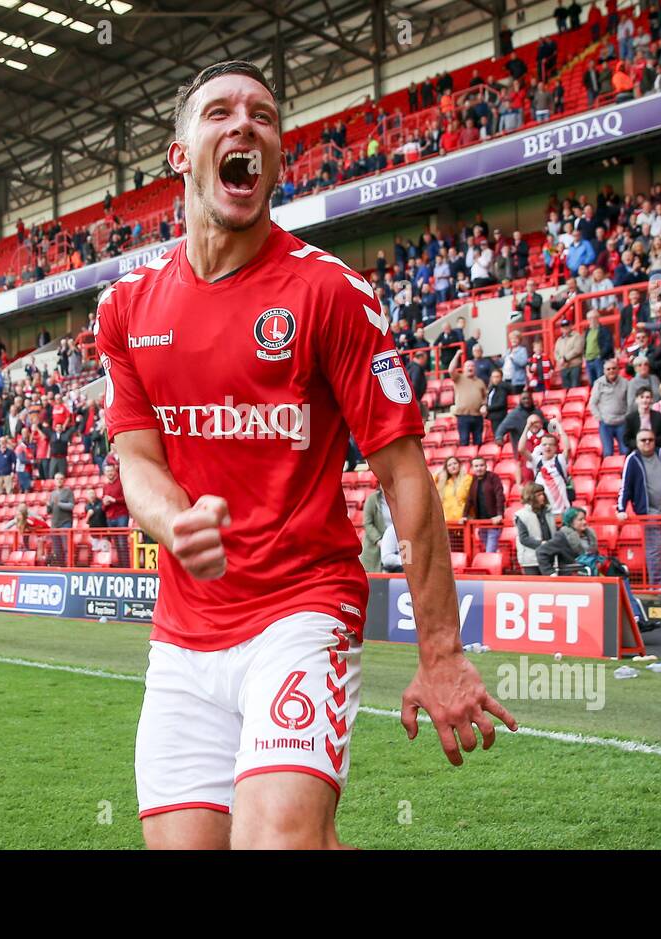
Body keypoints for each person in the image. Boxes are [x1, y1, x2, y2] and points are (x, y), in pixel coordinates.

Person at [95, 60, 515, 849]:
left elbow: (404, 475)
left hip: (302, 606)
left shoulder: (329, 293)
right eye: (219, 112)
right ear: (180, 155)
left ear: (277, 159)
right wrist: (173, 522)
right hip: (184, 633)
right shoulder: (126, 306)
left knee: (278, 842)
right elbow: (136, 459)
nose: (244, 124)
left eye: (263, 115)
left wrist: (442, 651)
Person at [616, 428, 661, 586]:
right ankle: (657, 585)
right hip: (649, 513)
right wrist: (621, 509)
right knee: (655, 549)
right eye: (643, 440)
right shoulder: (633, 459)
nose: (647, 443)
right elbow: (625, 487)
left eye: (650, 439)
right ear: (637, 442)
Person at [462, 456, 505, 552]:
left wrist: (499, 514)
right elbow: (469, 499)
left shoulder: (493, 477)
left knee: (490, 551)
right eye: (476, 466)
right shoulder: (473, 480)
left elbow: (499, 496)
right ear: (472, 468)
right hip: (481, 522)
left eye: (481, 465)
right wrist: (464, 515)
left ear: (486, 466)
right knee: (490, 550)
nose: (479, 468)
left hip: (493, 522)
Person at [513, 483, 557, 575]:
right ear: (530, 497)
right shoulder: (522, 515)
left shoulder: (549, 513)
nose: (542, 497)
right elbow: (524, 538)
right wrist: (541, 544)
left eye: (543, 494)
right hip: (531, 560)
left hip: (549, 556)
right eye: (538, 495)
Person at [589, 358, 630, 457]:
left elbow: (630, 402)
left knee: (625, 451)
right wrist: (599, 418)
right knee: (608, 453)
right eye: (608, 369)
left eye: (613, 368)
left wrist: (626, 416)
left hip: (622, 423)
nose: (611, 371)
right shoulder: (598, 383)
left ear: (618, 369)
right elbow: (592, 403)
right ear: (604, 371)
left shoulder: (626, 383)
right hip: (605, 424)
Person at [447, 348, 487, 446]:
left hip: (477, 416)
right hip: (463, 416)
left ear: (475, 368)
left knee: (478, 442)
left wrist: (484, 406)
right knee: (464, 441)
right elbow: (451, 369)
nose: (470, 367)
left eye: (472, 366)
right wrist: (457, 355)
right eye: (468, 366)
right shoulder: (459, 378)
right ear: (463, 368)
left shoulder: (480, 381)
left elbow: (485, 397)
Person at [622, 386, 661, 454]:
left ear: (651, 400)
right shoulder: (630, 418)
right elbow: (626, 439)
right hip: (636, 451)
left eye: (647, 397)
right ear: (636, 400)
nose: (644, 400)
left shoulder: (658, 416)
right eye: (642, 397)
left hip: (655, 451)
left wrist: (651, 443)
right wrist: (640, 444)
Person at [359, 487, 388, 573]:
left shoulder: (399, 500)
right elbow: (367, 523)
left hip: (394, 547)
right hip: (374, 548)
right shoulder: (372, 499)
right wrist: (378, 540)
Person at [434, 456, 471, 524]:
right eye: (449, 465)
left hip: (464, 520)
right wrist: (438, 472)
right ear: (446, 468)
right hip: (448, 521)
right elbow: (430, 483)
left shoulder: (467, 479)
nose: (453, 466)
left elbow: (470, 499)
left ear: (459, 465)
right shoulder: (444, 483)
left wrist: (465, 516)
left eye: (455, 463)